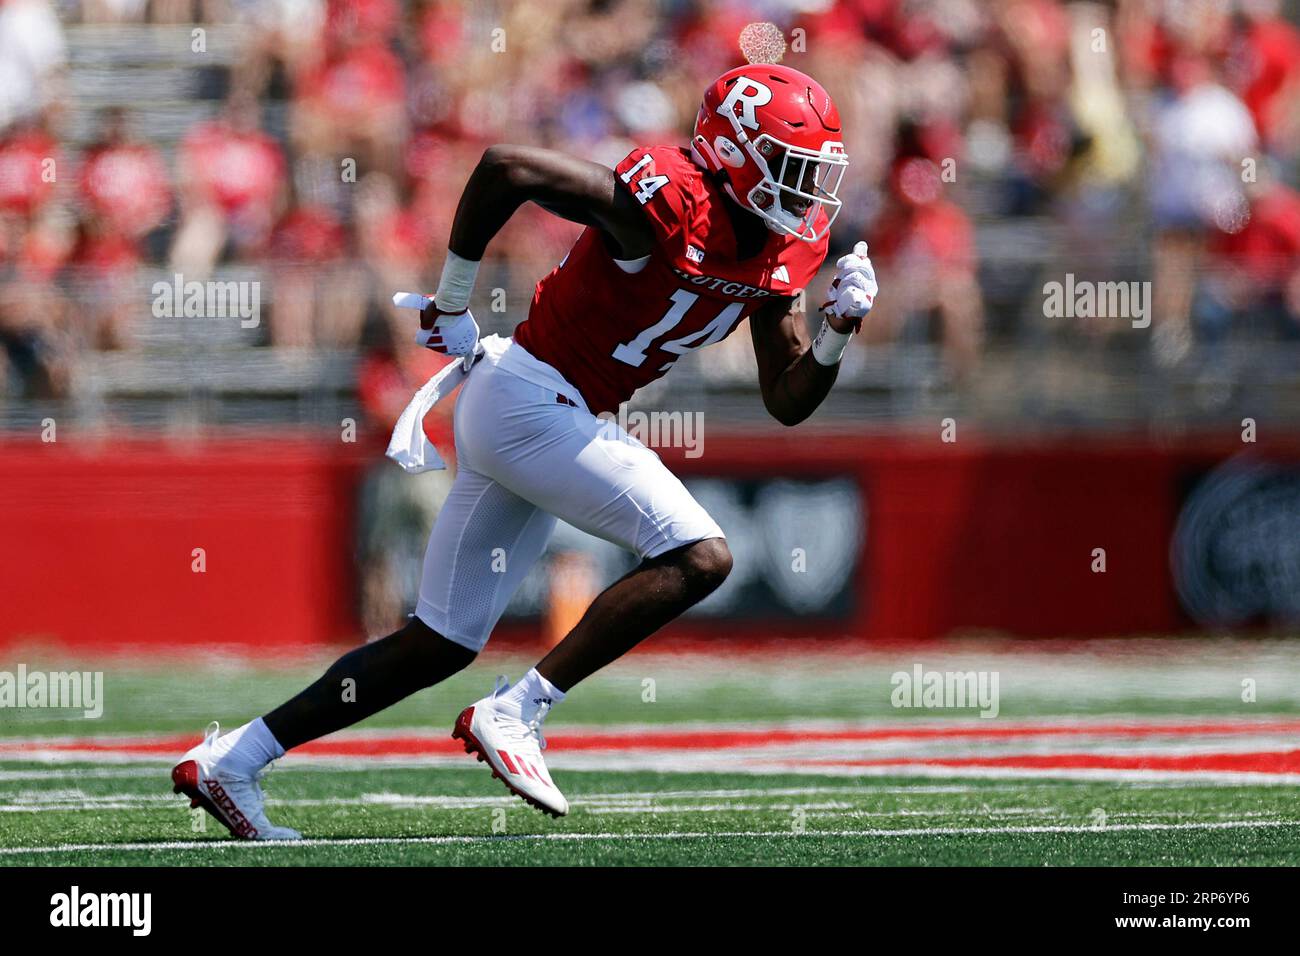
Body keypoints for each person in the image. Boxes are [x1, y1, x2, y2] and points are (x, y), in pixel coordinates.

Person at [170, 63, 877, 837]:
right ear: (737, 154)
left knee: (436, 644)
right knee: (699, 556)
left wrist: (838, 331)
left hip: (536, 410)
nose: (807, 192)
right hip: (532, 398)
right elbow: (504, 166)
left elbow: (786, 401)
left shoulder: (785, 246)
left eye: (813, 173)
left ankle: (233, 759)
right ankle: (520, 710)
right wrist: (452, 297)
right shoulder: (672, 203)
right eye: (790, 167)